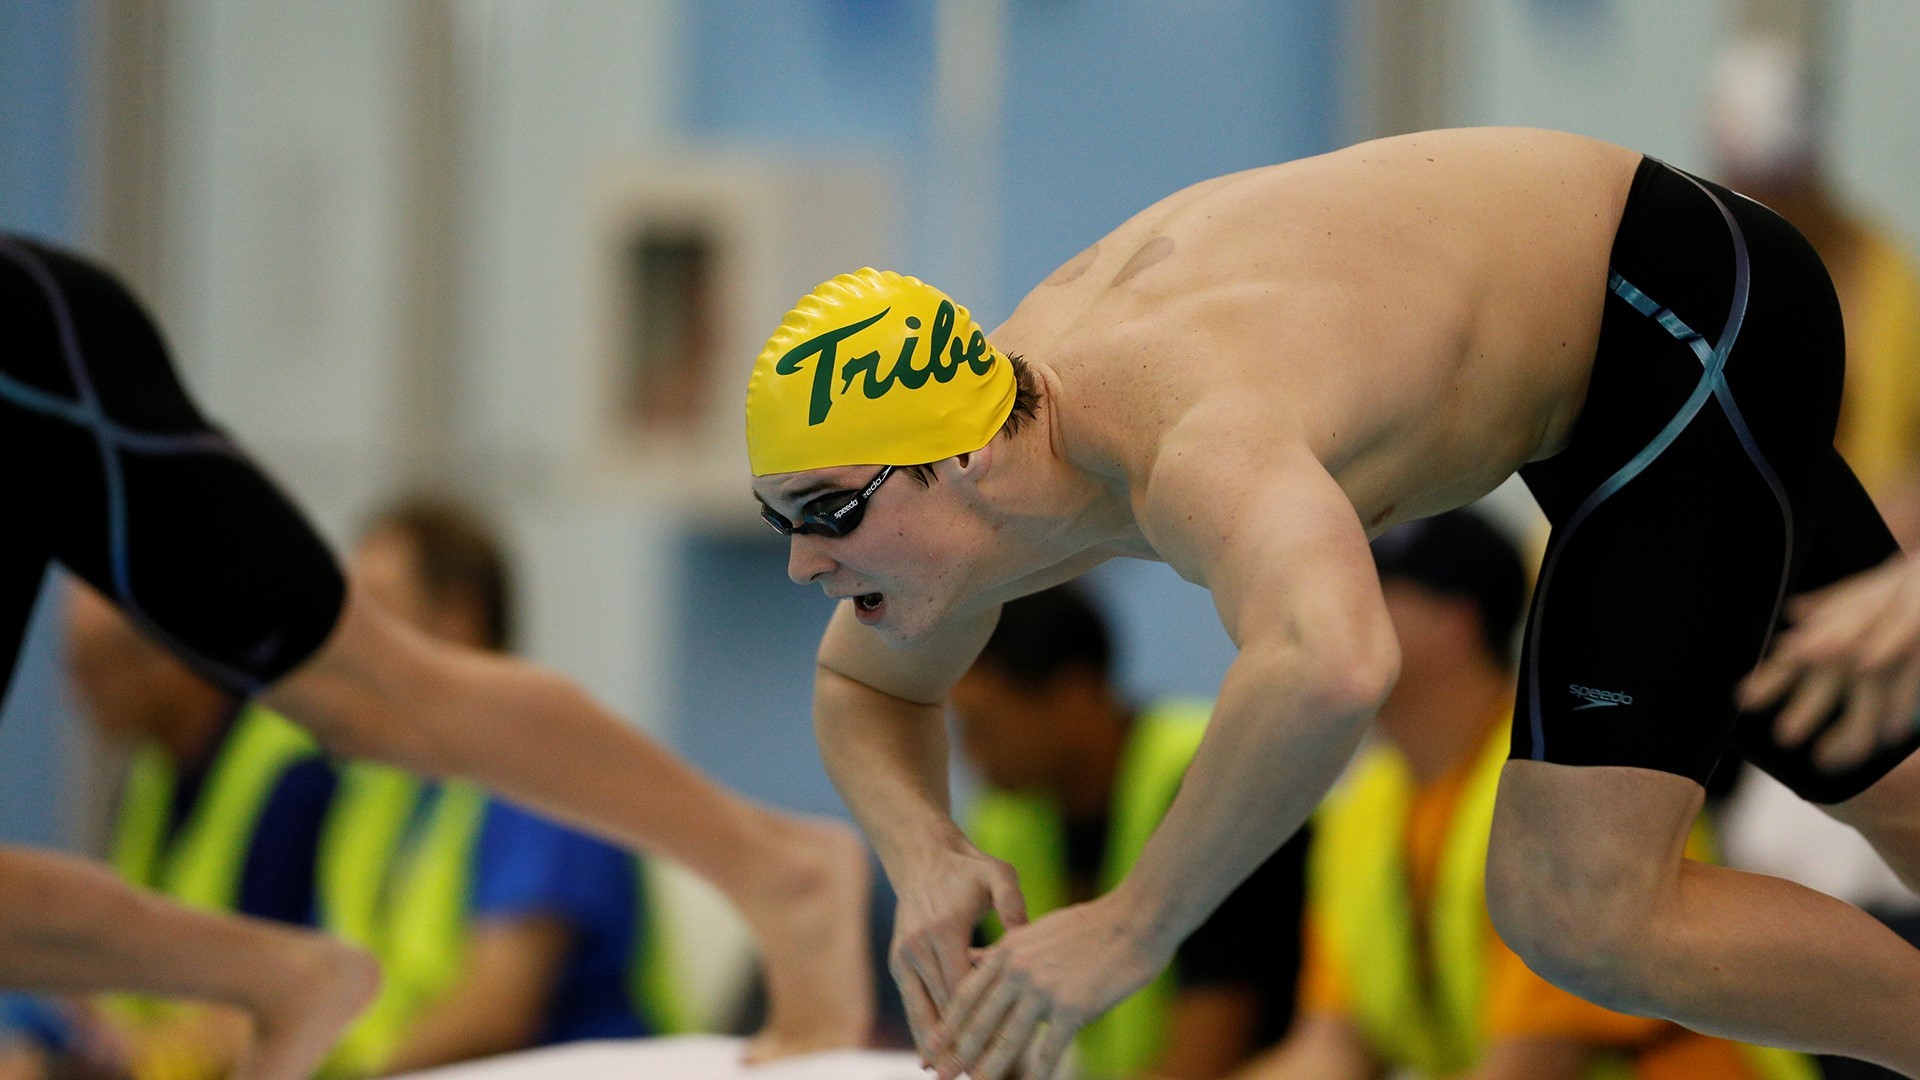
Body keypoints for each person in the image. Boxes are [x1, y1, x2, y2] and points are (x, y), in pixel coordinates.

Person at [742, 127, 1920, 1080]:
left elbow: (1333, 664)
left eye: (829, 513)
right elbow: (861, 685)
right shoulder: (982, 481)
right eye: (783, 520)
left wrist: (1133, 925)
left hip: (1672, 304)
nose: (805, 566)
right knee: (1886, 779)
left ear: (961, 458)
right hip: (1608, 350)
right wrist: (925, 851)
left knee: (1578, 906)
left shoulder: (1186, 430)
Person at [0, 234, 870, 1080]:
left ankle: (775, 864)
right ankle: (279, 975)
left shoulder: (517, 812)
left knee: (376, 694)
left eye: (389, 598)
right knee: (375, 703)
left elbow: (500, 999)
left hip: (35, 355)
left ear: (459, 615)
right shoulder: (352, 799)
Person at [1237, 510, 1811, 1080]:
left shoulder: (1575, 782)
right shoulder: (1363, 807)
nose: (1313, 619)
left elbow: (1535, 1064)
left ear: (1454, 623)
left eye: (1363, 594)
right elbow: (1332, 1049)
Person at [322, 498, 699, 1075]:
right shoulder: (381, 784)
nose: (345, 642)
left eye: (376, 610)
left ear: (459, 619)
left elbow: (495, 1010)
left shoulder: (544, 769)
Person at [951, 584, 1305, 1080]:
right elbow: (983, 1042)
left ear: (1073, 697)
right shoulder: (1004, 819)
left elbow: (1208, 1057)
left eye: (983, 726)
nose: (968, 753)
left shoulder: (1213, 784)